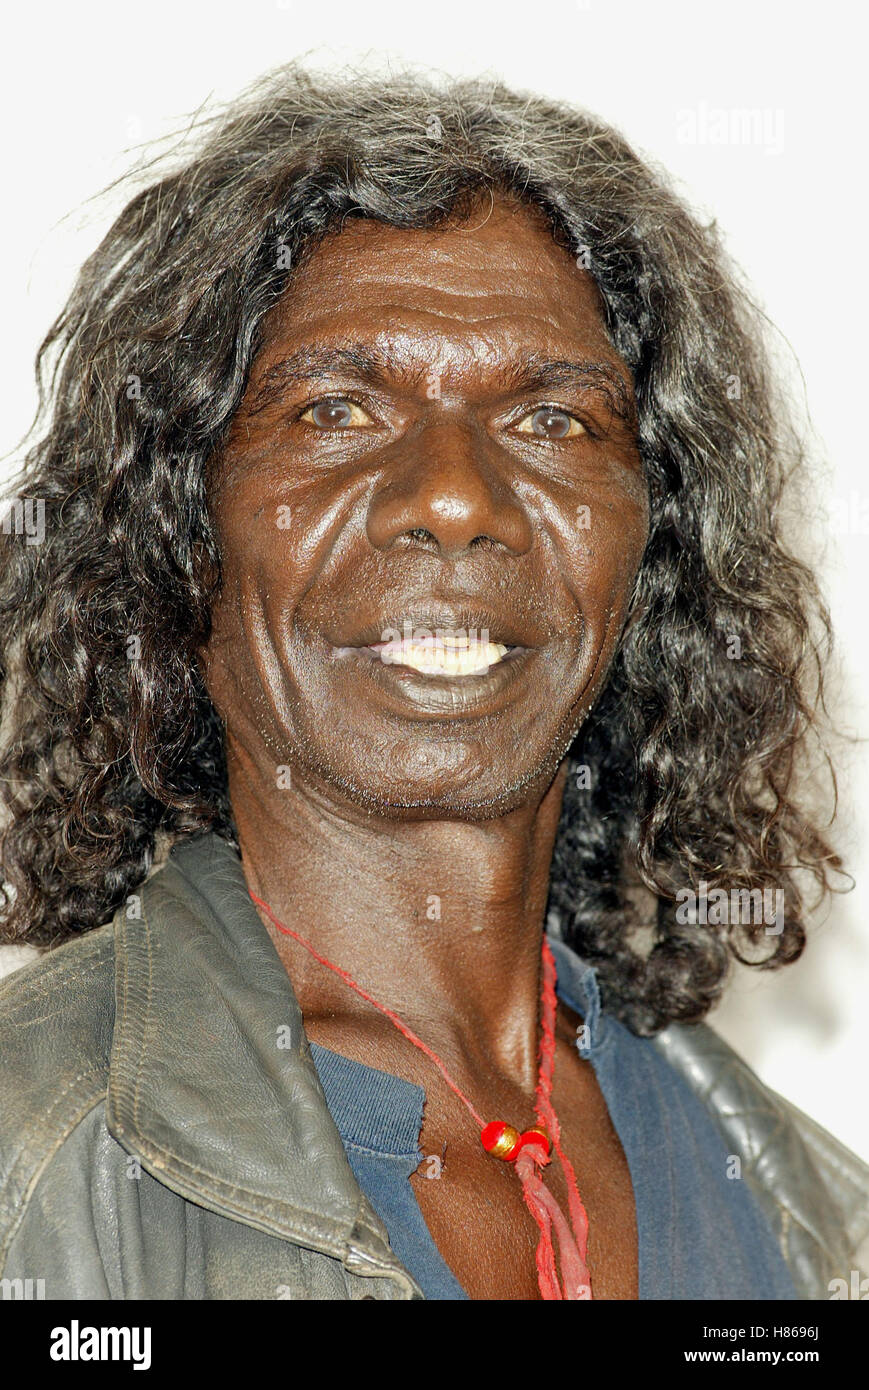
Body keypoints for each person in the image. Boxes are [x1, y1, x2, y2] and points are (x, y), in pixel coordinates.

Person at [0, 61, 866, 1302]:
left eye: (551, 420)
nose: (455, 497)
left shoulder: (810, 1221)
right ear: (178, 531)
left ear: (649, 554)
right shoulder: (31, 1165)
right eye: (337, 410)